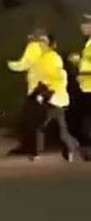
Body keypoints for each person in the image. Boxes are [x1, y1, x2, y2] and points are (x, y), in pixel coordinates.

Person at [11, 33, 78, 161]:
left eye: (42, 42)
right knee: (44, 126)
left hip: (52, 98)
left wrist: (45, 91)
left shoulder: (52, 58)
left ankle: (65, 148)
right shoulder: (37, 58)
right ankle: (40, 151)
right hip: (42, 96)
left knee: (47, 126)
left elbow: (56, 78)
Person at [7, 30, 47, 156]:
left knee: (30, 119)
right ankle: (32, 147)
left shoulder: (34, 46)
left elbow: (24, 64)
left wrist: (9, 65)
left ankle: (32, 148)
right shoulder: (45, 48)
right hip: (44, 87)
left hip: (35, 88)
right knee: (36, 119)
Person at [68, 14, 91, 160]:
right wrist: (78, 62)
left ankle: (88, 149)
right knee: (84, 119)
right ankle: (87, 149)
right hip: (85, 87)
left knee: (86, 119)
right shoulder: (87, 42)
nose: (83, 27)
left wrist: (82, 70)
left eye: (87, 24)